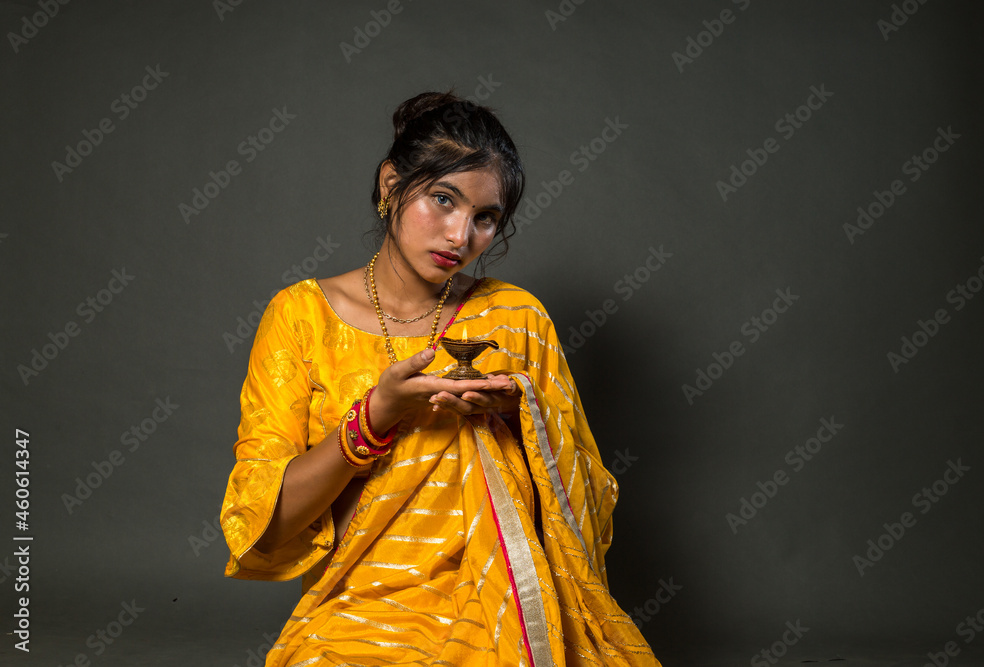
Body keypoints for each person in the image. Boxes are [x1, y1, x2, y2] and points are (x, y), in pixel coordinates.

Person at [220, 90, 659, 666]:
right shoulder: (302, 319)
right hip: (359, 609)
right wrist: (377, 415)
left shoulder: (515, 319)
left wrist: (518, 417)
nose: (460, 236)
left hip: (503, 602)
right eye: (443, 200)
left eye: (485, 219)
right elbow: (264, 523)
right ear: (389, 184)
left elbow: (588, 497)